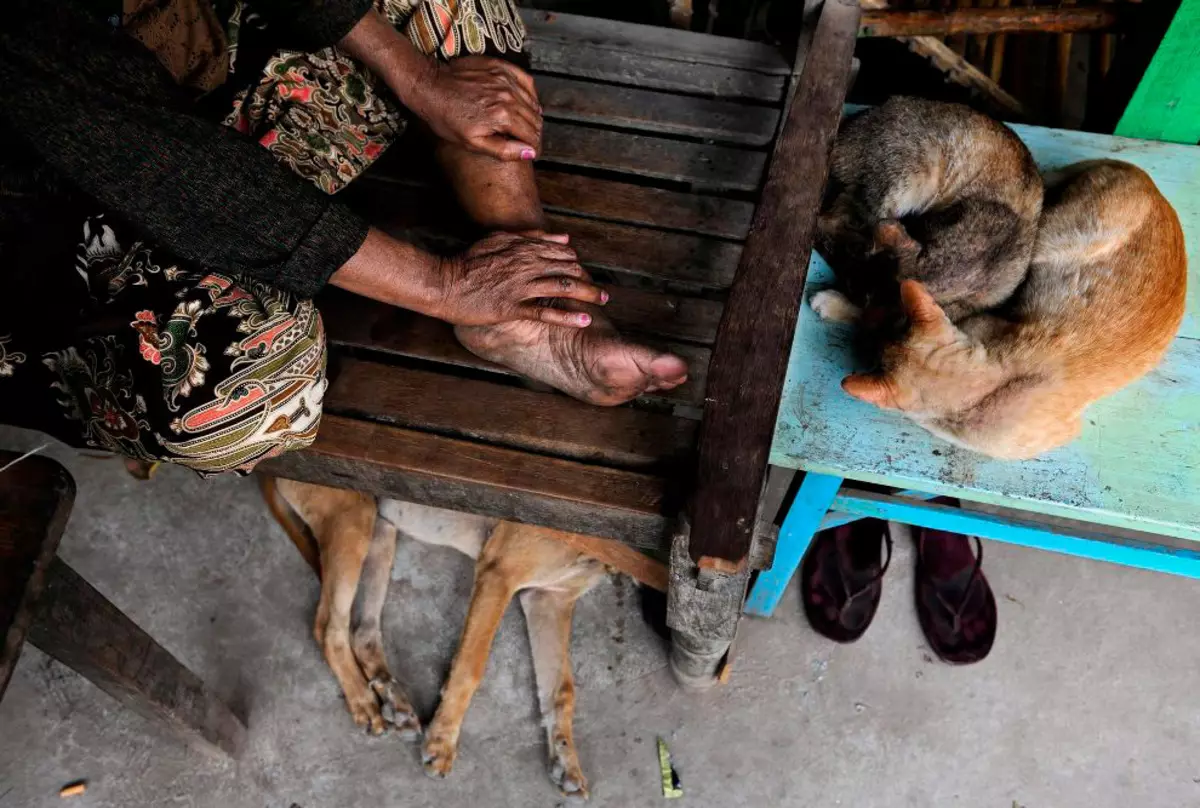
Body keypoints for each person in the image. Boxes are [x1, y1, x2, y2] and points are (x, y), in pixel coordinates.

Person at [0, 0, 689, 475]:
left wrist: (420, 79)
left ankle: (530, 307)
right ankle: (498, 297)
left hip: (180, 90)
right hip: (52, 244)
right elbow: (151, 159)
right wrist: (441, 286)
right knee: (239, 390)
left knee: (443, 10)